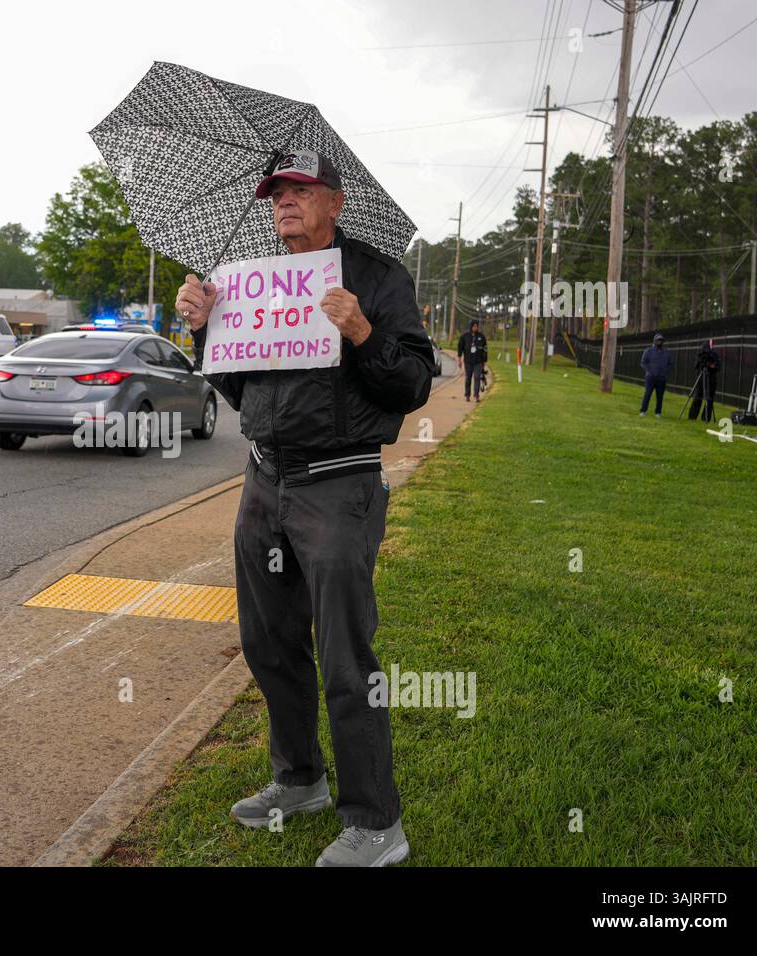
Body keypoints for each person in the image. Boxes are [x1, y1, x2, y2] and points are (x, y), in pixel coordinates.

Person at [175, 148, 436, 867]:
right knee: (268, 645)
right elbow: (242, 394)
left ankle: (377, 824)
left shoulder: (377, 278)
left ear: (335, 202)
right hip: (264, 482)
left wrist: (362, 334)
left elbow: (413, 383)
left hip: (340, 485)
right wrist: (206, 327)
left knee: (345, 657)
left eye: (299, 190)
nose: (282, 202)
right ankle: (299, 780)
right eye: (274, 193)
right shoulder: (256, 282)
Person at [639, 333, 673, 417]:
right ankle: (643, 410)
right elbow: (643, 362)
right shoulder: (648, 351)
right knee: (647, 394)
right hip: (650, 377)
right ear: (654, 341)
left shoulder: (667, 352)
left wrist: (666, 372)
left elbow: (670, 364)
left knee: (660, 396)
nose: (659, 342)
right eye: (658, 340)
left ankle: (658, 412)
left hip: (662, 378)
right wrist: (650, 371)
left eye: (661, 340)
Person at [688, 341, 721, 422]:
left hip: (711, 380)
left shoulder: (715, 355)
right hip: (701, 379)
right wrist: (703, 363)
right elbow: (696, 366)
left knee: (709, 400)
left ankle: (705, 418)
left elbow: (718, 366)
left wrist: (712, 366)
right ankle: (692, 417)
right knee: (697, 398)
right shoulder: (700, 355)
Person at [456, 320, 488, 402]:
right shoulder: (464, 336)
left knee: (477, 377)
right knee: (468, 378)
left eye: (476, 326)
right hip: (468, 361)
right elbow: (460, 348)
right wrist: (459, 360)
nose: (475, 328)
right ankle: (467, 394)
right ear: (471, 326)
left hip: (478, 362)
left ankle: (476, 395)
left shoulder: (481, 337)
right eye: (474, 326)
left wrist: (484, 361)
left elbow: (485, 349)